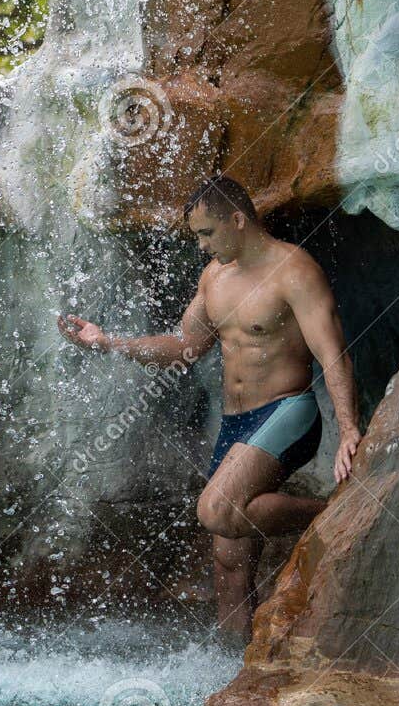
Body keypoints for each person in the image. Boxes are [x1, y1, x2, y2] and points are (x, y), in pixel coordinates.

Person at [57, 175, 362, 640]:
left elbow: (332, 352)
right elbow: (185, 347)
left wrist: (348, 430)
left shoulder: (294, 271)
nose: (201, 245)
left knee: (217, 510)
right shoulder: (214, 278)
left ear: (237, 220)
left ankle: (332, 512)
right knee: (228, 561)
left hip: (287, 412)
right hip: (235, 423)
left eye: (206, 233)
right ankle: (235, 668)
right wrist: (108, 342)